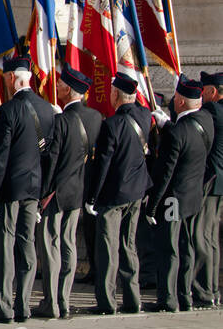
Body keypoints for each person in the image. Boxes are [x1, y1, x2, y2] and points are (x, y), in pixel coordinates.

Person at [0, 54, 54, 323]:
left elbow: (0, 157)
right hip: (34, 189)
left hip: (11, 189)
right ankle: (23, 304)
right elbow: (50, 155)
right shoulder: (48, 109)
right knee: (27, 246)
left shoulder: (8, 111)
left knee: (6, 245)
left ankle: (5, 306)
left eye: (5, 78)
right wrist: (44, 191)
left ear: (13, 78)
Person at [83, 72, 153, 314]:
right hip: (137, 191)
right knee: (128, 245)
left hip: (114, 194)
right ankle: (133, 299)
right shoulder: (145, 116)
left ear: (115, 95)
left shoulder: (112, 125)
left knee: (108, 249)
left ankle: (107, 302)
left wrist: (92, 197)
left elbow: (103, 164)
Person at [34, 67, 101, 320]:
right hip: (78, 190)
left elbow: (52, 159)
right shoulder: (95, 117)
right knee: (69, 244)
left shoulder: (61, 121)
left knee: (51, 244)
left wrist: (44, 192)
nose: (57, 87)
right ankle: (64, 299)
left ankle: (51, 301)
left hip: (57, 192)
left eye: (61, 84)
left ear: (69, 91)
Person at [146, 76, 213, 313]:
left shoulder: (176, 134)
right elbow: (188, 139)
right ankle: (185, 296)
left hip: (173, 199)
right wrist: (168, 126)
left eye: (176, 97)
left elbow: (164, 174)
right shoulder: (206, 120)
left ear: (182, 101)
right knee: (186, 248)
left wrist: (152, 206)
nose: (174, 100)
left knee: (169, 249)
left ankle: (168, 299)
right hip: (193, 197)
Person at [193, 71, 223, 308]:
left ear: (213, 91)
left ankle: (204, 291)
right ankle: (211, 289)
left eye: (203, 91)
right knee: (211, 238)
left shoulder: (213, 111)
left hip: (211, 178)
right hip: (220, 180)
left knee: (202, 236)